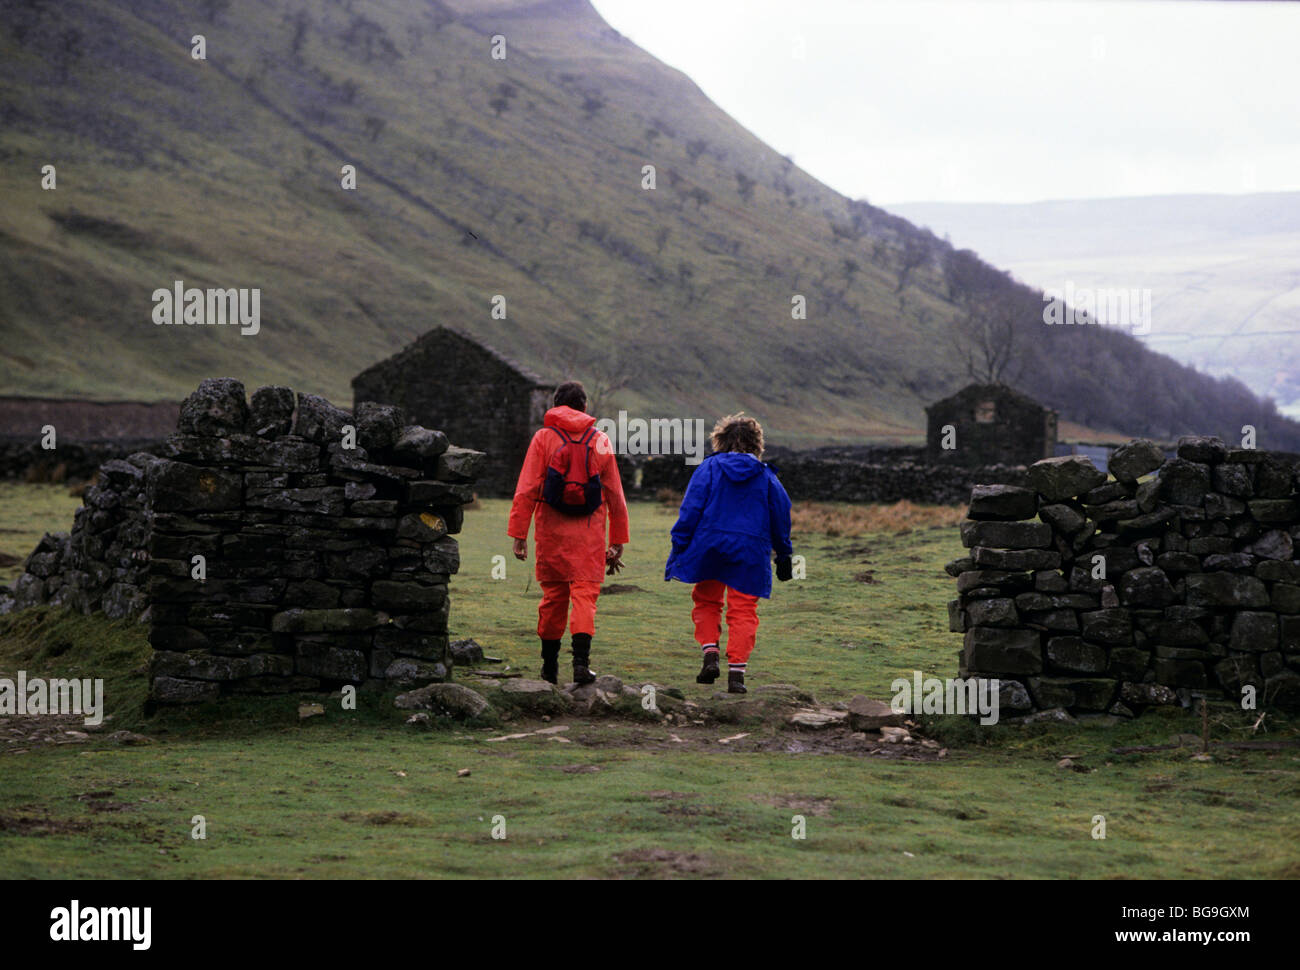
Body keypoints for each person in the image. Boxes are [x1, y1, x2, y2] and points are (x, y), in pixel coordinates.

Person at [508, 381, 629, 685]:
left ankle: (549, 669)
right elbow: (615, 494)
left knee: (553, 599)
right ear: (585, 407)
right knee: (584, 598)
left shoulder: (543, 438)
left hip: (551, 532)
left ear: (556, 405)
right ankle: (581, 665)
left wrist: (519, 533)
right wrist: (617, 540)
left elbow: (526, 488)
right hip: (589, 535)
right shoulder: (600, 440)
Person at [664, 413, 793, 693]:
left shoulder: (709, 469)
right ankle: (737, 675)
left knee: (707, 601)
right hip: (750, 551)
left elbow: (690, 510)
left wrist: (679, 546)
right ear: (757, 443)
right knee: (743, 610)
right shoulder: (767, 476)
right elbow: (782, 516)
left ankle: (710, 653)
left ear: (720, 441)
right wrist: (784, 556)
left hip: (709, 545)